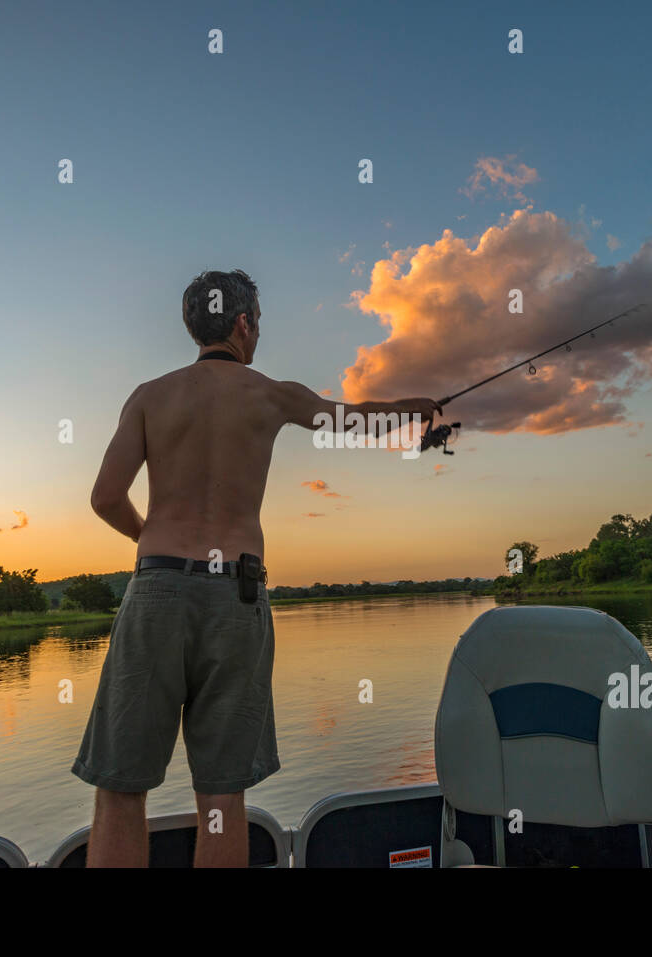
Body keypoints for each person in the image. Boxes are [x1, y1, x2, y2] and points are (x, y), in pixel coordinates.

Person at [73, 268, 440, 867]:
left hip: (157, 587)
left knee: (119, 787)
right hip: (235, 596)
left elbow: (105, 497)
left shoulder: (149, 396)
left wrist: (156, 546)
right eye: (258, 323)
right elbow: (351, 420)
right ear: (243, 324)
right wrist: (412, 409)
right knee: (221, 793)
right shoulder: (272, 394)